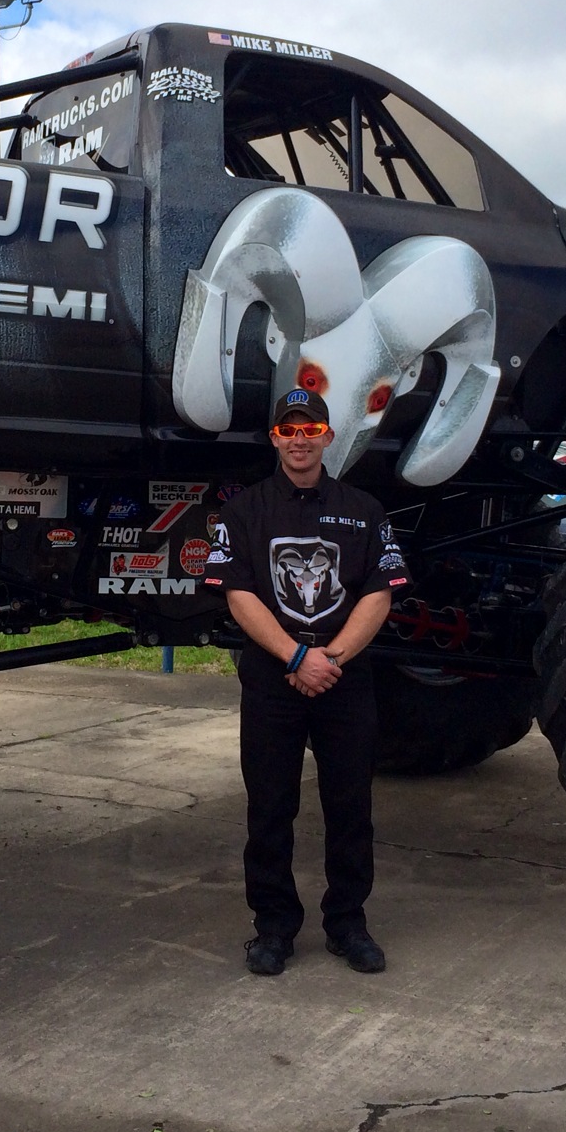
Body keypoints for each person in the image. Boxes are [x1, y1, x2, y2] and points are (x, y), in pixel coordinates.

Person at [203, 387, 411, 976]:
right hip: (274, 682)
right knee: (270, 807)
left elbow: (379, 593)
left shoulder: (364, 510)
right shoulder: (244, 512)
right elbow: (238, 594)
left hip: (344, 679)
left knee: (350, 806)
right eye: (288, 430)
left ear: (328, 436)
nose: (300, 440)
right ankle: (273, 928)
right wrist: (296, 657)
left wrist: (331, 658)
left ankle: (348, 925)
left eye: (310, 429)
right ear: (275, 438)